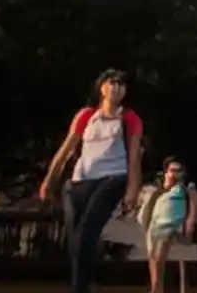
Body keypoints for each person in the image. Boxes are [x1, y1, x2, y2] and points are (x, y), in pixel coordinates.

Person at [38, 68, 144, 293]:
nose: (116, 88)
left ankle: (79, 288)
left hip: (112, 178)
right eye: (111, 83)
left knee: (87, 232)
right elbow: (66, 149)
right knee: (76, 240)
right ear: (101, 88)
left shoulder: (130, 118)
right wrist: (50, 180)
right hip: (79, 182)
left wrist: (132, 189)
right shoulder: (86, 115)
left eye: (121, 84)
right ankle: (86, 283)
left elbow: (134, 158)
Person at [139, 156, 197, 293]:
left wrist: (191, 221)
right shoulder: (158, 191)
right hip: (155, 227)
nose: (175, 174)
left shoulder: (185, 187)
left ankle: (156, 288)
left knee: (159, 255)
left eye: (179, 170)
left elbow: (194, 201)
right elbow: (148, 208)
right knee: (153, 259)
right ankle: (156, 287)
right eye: (172, 170)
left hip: (173, 226)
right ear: (166, 172)